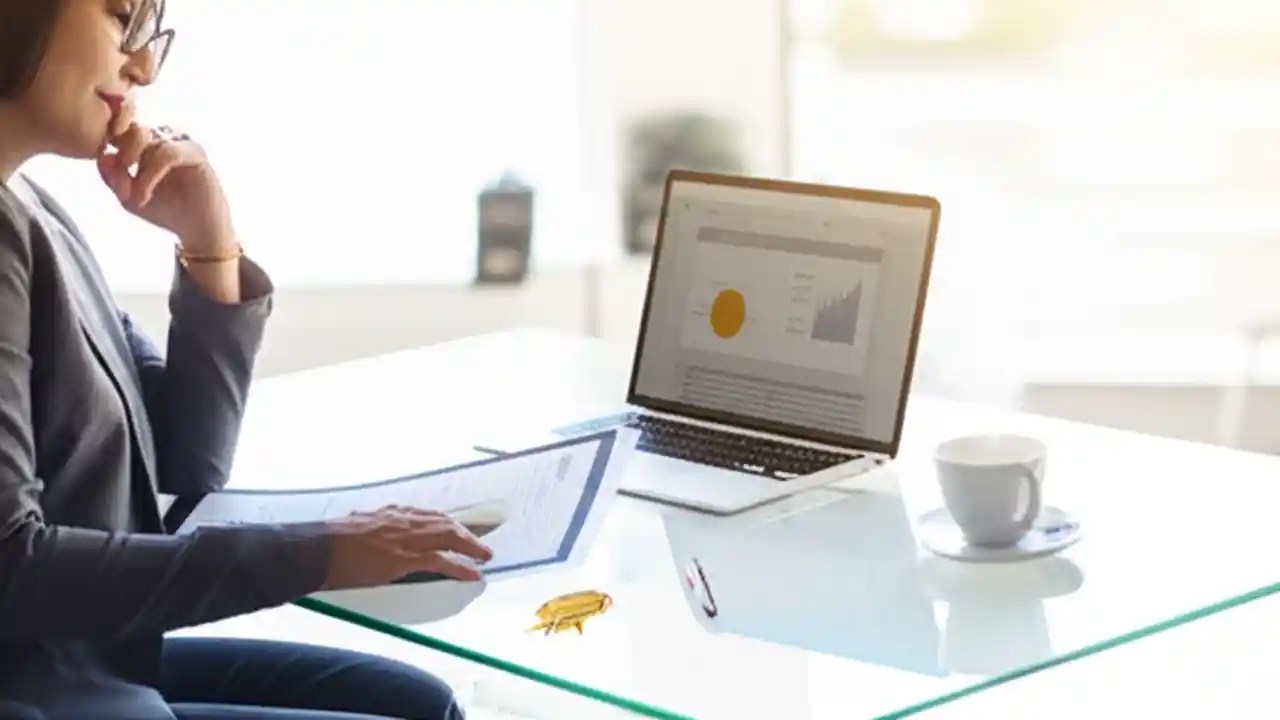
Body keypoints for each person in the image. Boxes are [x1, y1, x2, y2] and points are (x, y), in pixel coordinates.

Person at [0, 1, 495, 718]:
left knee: (415, 701)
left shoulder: (32, 211)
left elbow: (186, 460)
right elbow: (11, 565)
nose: (141, 67)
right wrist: (321, 553)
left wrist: (209, 239)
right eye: (120, 19)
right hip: (34, 684)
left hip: (81, 656)